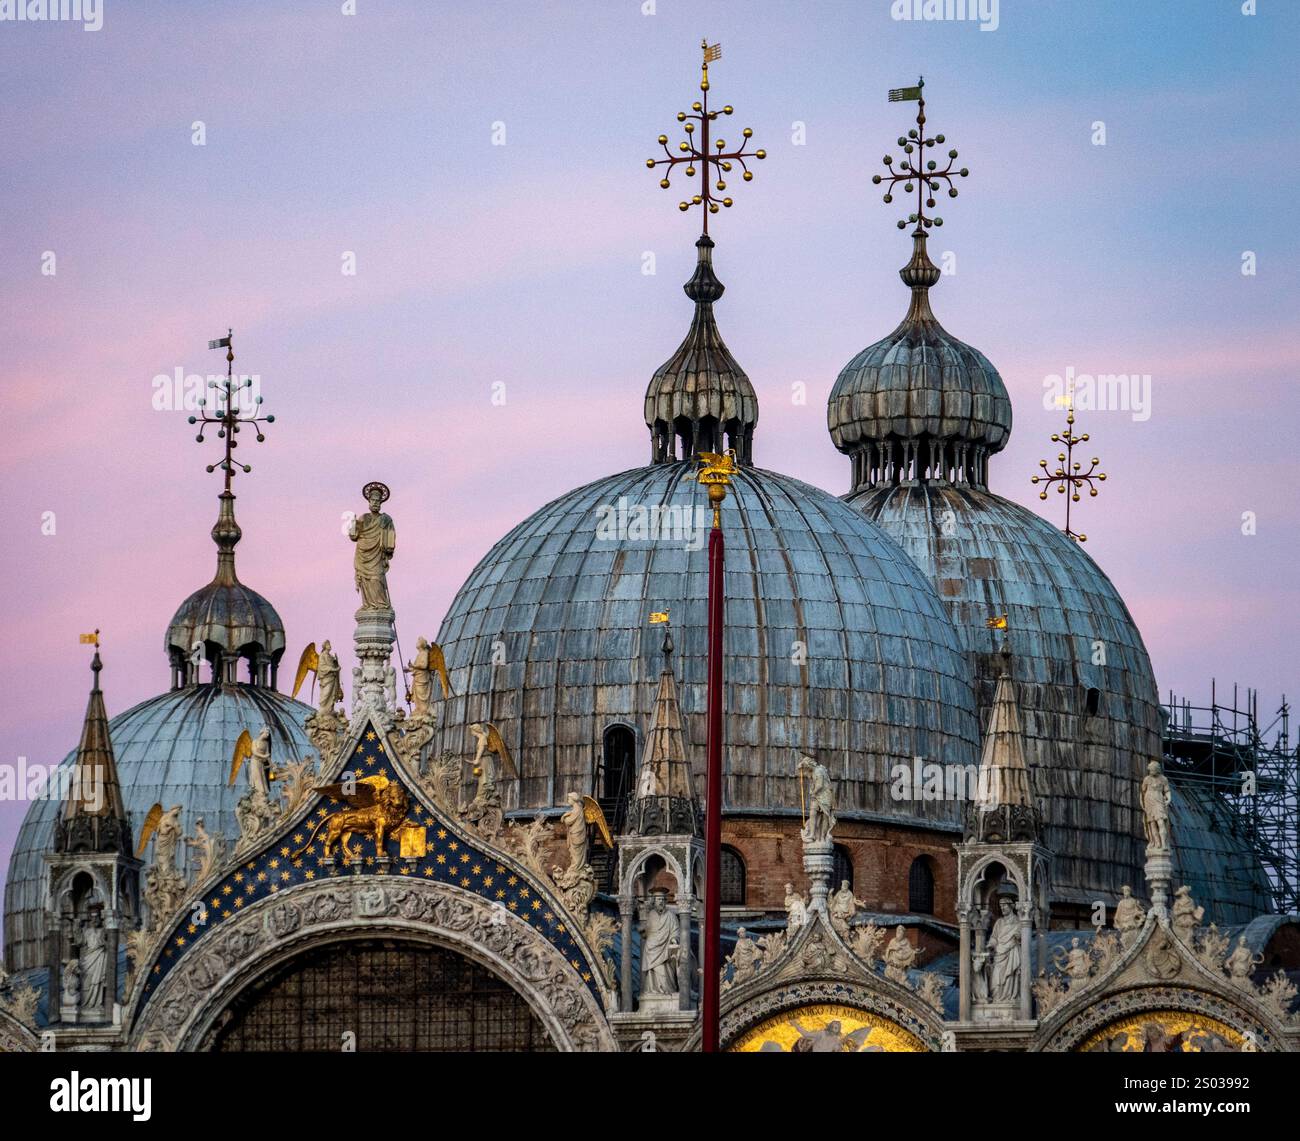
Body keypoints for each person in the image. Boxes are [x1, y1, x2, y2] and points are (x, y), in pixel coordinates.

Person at [350, 482, 396, 609]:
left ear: (381, 503)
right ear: (369, 501)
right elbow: (353, 536)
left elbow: (391, 539)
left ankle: (381, 605)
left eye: (378, 501)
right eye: (373, 500)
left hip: (377, 556)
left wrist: (388, 546)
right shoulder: (363, 518)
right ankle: (368, 605)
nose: (375, 503)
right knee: (366, 582)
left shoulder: (386, 520)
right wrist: (353, 524)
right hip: (363, 555)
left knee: (377, 579)